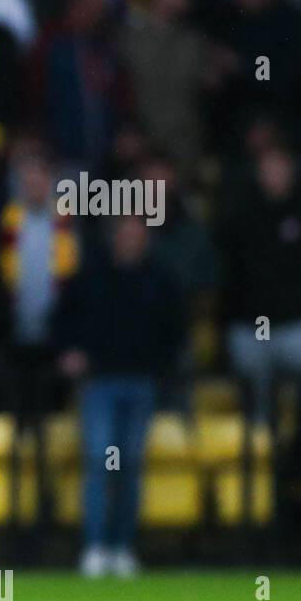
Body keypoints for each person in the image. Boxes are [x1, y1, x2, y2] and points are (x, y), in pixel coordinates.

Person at [55, 214, 185, 578]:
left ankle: (122, 547)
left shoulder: (160, 278)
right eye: (125, 232)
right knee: (99, 461)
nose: (131, 239)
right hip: (99, 383)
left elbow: (176, 331)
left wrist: (161, 368)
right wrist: (70, 351)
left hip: (141, 383)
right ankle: (95, 547)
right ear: (114, 237)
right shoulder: (91, 276)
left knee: (129, 465)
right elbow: (63, 321)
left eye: (137, 233)